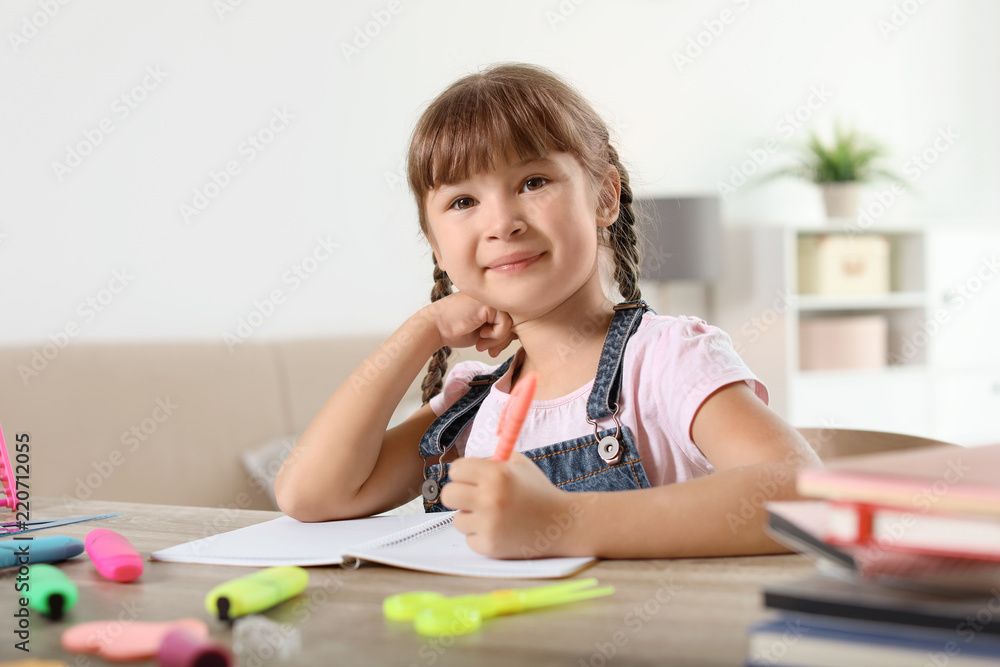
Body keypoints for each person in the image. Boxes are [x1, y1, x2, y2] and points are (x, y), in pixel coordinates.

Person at [275, 63, 821, 559]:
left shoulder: (664, 360)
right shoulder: (472, 406)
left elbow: (799, 496)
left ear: (605, 196)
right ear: (436, 246)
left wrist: (562, 522)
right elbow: (310, 494)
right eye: (463, 202)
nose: (502, 222)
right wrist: (425, 329)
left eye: (532, 182)